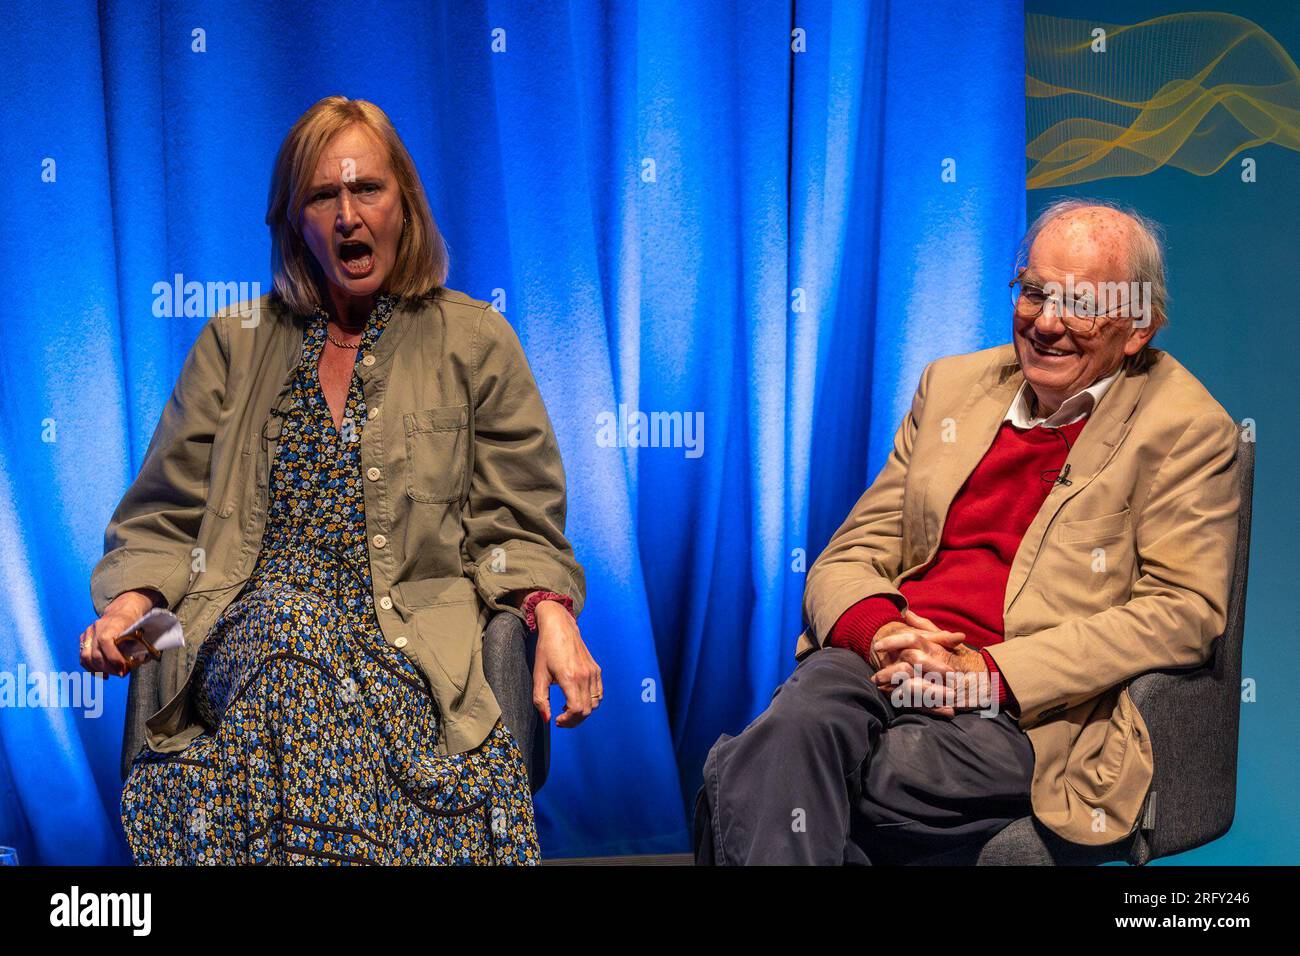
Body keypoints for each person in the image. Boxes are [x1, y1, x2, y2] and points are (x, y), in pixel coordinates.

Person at [80, 95, 601, 864]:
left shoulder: (476, 341)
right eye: (325, 195)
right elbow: (164, 513)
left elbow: (518, 521)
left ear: (406, 206)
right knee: (293, 636)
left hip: (413, 650)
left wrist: (551, 612)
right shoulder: (233, 344)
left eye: (368, 190)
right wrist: (132, 600)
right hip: (254, 635)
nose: (349, 215)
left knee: (308, 705)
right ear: (295, 221)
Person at [695, 199, 1242, 865]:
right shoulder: (951, 387)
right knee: (804, 725)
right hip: (883, 666)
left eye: (1079, 303)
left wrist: (983, 671)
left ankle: (744, 779)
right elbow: (853, 553)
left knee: (777, 769)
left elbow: (1183, 612)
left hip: (1023, 712)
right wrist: (883, 631)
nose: (1045, 322)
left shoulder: (1186, 430)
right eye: (1035, 291)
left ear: (1136, 329)